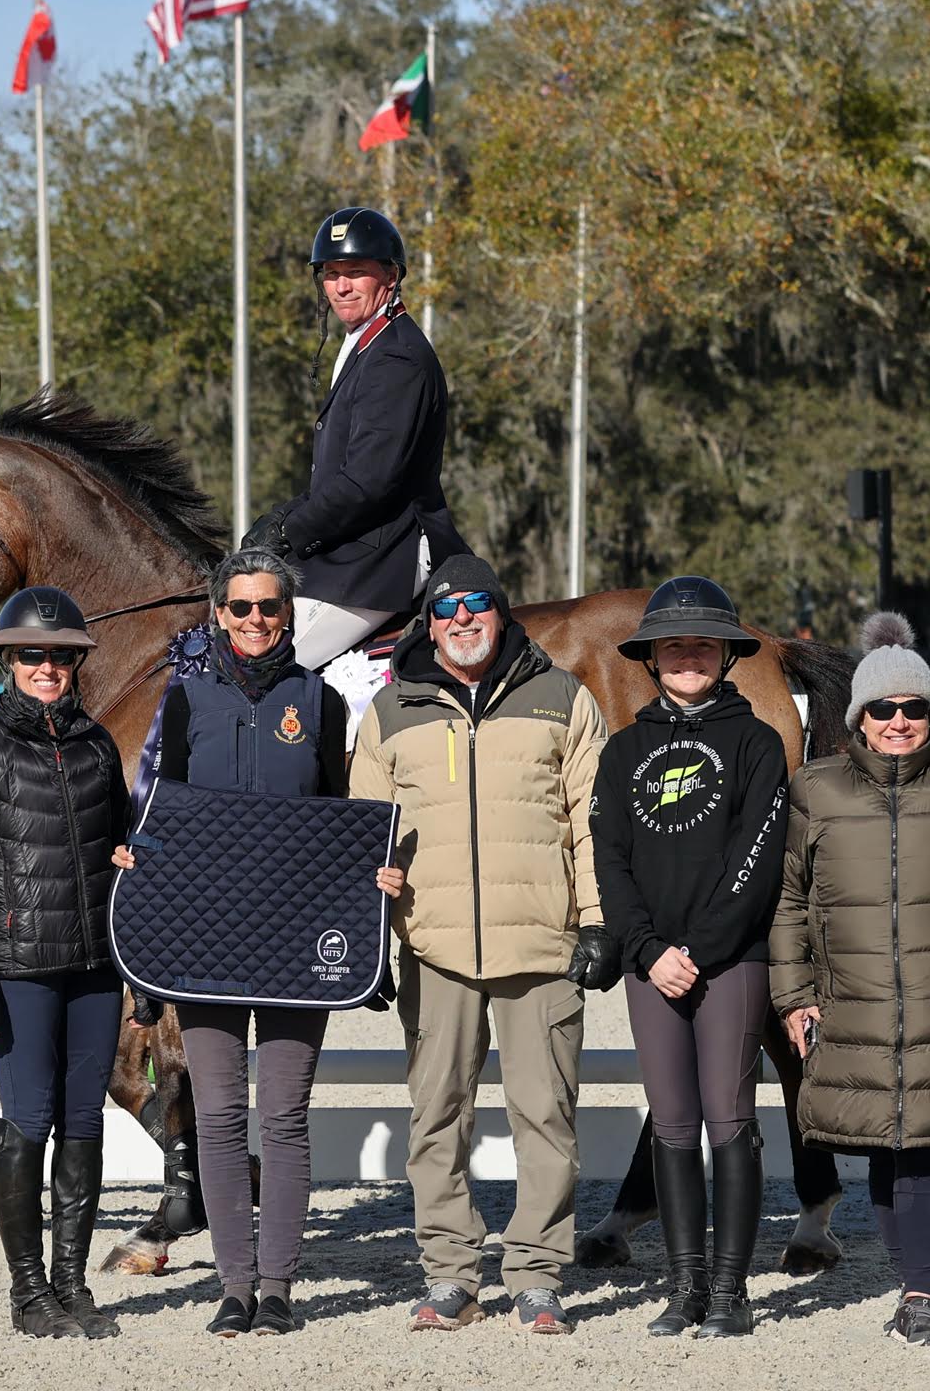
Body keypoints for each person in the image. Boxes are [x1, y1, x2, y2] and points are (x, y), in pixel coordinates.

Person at [351, 553, 617, 1335]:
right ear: (428, 624)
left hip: (540, 946)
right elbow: (367, 836)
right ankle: (451, 1275)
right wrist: (372, 932)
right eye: (445, 608)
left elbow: (590, 824)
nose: (462, 618)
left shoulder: (562, 697)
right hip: (433, 948)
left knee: (547, 1116)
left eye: (477, 604)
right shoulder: (390, 709)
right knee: (437, 1118)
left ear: (502, 613)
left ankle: (536, 1273)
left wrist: (597, 923)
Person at [109, 547, 350, 1338]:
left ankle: (277, 1285)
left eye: (268, 607)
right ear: (218, 614)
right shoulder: (183, 704)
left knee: (282, 1117)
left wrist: (366, 896)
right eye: (240, 607)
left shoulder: (322, 703)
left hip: (291, 943)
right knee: (216, 1115)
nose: (254, 620)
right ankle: (233, 1288)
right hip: (206, 944)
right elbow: (166, 816)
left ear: (288, 614)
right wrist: (138, 872)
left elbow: (340, 825)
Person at [770, 613, 930, 1348]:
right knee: (881, 1143)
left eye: (914, 708)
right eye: (884, 709)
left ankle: (921, 1292)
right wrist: (792, 994)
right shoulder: (816, 790)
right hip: (853, 998)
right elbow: (787, 898)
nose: (900, 721)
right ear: (860, 718)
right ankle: (910, 1277)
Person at [590, 576, 791, 1338]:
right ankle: (686, 1286)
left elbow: (757, 861)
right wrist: (646, 948)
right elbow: (610, 860)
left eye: (701, 645)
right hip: (652, 966)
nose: (686, 658)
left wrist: (697, 950)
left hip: (730, 960)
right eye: (673, 646)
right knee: (673, 1123)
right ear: (651, 657)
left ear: (724, 655)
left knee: (729, 1117)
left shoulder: (757, 744)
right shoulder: (624, 750)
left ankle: (733, 1291)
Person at [0, 586, 131, 1341]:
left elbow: (122, 843)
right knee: (28, 1124)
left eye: (61, 657)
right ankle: (26, 1290)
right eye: (33, 655)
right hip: (18, 970)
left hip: (94, 969)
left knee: (84, 1123)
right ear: (10, 660)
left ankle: (72, 1283)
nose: (48, 667)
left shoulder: (98, 746)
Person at [242, 207, 468, 669]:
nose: (341, 286)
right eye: (331, 273)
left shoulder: (397, 359)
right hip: (359, 545)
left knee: (258, 658)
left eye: (356, 273)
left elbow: (368, 482)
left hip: (389, 552)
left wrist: (288, 530)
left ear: (390, 276)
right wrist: (279, 516)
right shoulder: (366, 343)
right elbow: (338, 478)